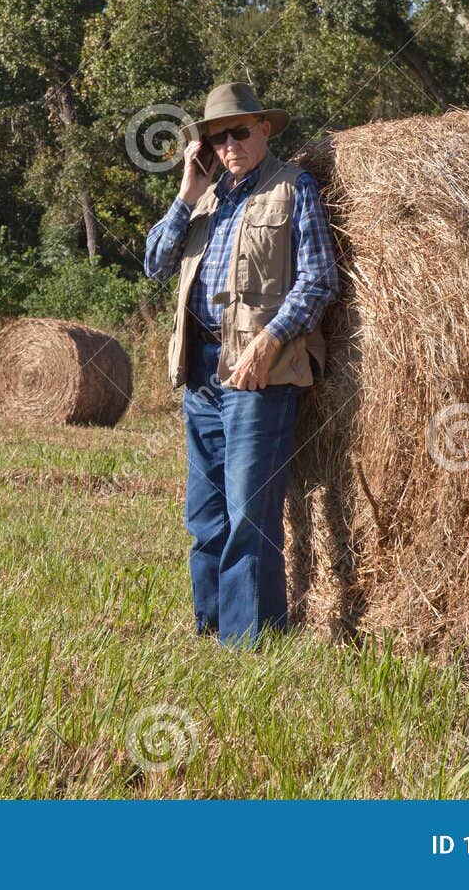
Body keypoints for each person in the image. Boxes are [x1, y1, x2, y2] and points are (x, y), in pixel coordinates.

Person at [142, 82, 339, 647]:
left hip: (258, 372)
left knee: (249, 513)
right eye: (216, 136)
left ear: (264, 130)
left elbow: (318, 279)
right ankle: (209, 630)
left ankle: (250, 644)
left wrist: (270, 341)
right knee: (204, 516)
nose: (229, 143)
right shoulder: (203, 199)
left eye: (239, 132)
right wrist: (185, 193)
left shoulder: (292, 189)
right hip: (200, 372)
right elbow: (155, 263)